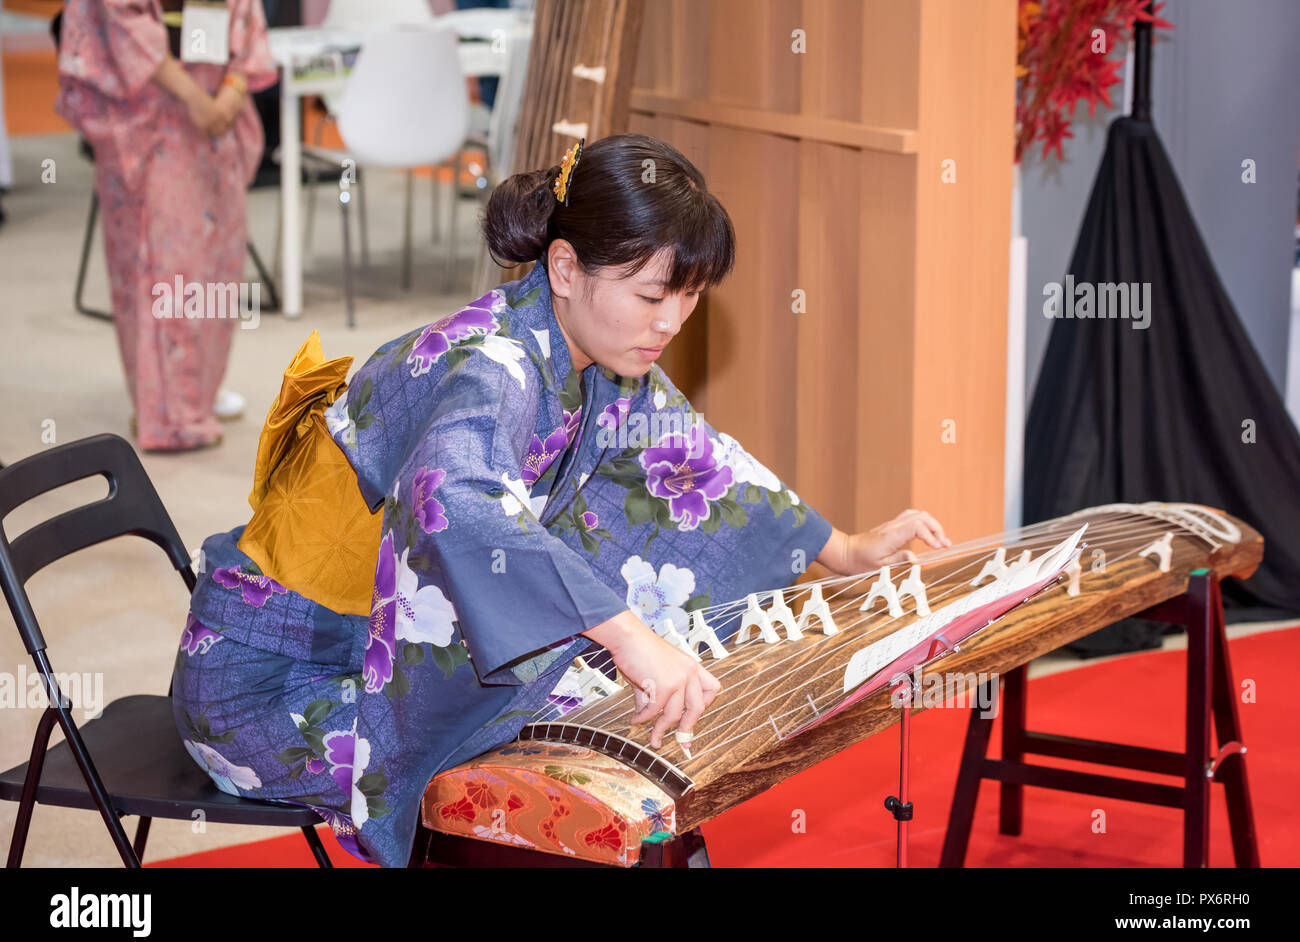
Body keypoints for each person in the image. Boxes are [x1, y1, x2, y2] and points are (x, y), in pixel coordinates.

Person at [170, 133, 950, 866]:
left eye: (689, 296)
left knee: (627, 680)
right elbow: (461, 503)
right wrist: (628, 636)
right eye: (652, 294)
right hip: (274, 679)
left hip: (369, 642)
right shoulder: (490, 365)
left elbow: (696, 461)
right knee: (601, 702)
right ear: (567, 268)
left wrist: (842, 549)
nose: (671, 321)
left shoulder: (588, 349)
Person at [55, 0, 276, 451]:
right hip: (149, 109)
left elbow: (245, 15)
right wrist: (194, 98)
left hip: (217, 103)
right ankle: (167, 408)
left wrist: (231, 92)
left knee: (216, 258)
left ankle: (196, 394)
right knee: (161, 260)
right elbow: (120, 21)